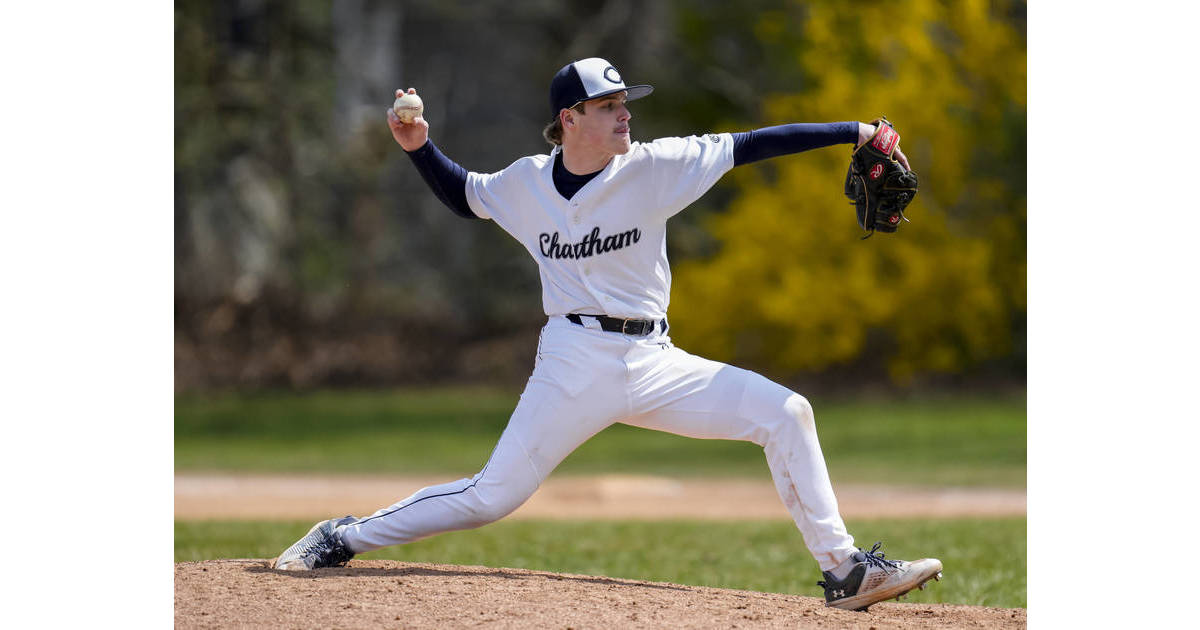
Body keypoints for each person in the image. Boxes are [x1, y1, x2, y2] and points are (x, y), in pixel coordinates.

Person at [272, 57, 941, 612]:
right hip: (574, 360)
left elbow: (752, 143)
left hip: (655, 359)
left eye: (625, 102)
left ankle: (846, 571)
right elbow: (465, 194)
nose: (625, 114)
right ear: (570, 119)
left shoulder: (655, 166)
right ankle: (344, 536)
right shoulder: (526, 183)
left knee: (785, 412)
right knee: (489, 498)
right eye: (608, 104)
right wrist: (421, 150)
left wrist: (854, 131)